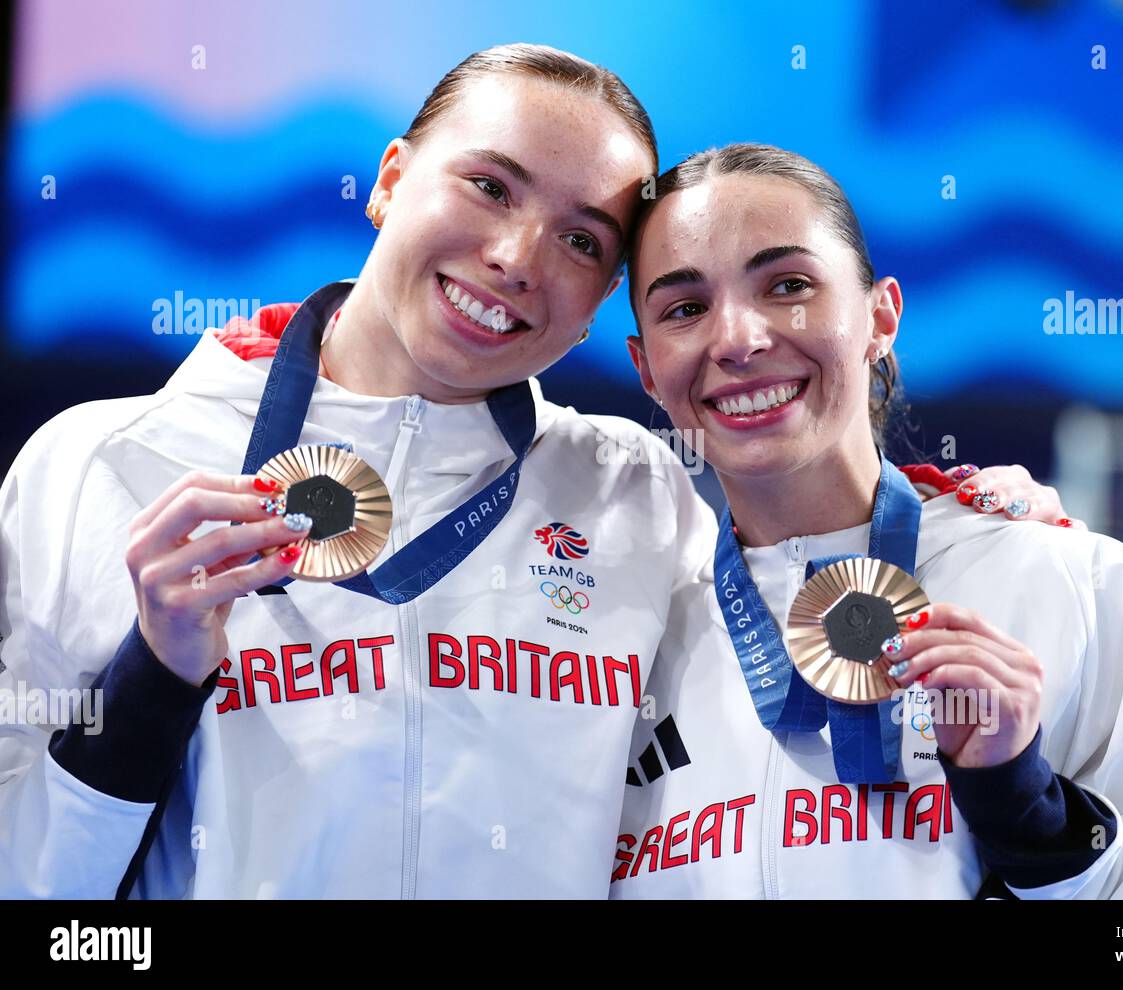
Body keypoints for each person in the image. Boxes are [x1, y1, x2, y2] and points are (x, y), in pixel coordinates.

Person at [0, 45, 1067, 900]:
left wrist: (977, 512)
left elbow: (820, 523)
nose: (517, 257)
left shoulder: (645, 493)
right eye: (488, 185)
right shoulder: (102, 467)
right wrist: (147, 682)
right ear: (389, 180)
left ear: (607, 296)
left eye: (581, 239)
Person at [610, 143, 1123, 899]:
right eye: (685, 308)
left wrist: (1037, 821)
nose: (738, 340)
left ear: (879, 317)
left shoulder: (1073, 583)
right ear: (647, 368)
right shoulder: (632, 644)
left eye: (787, 284)